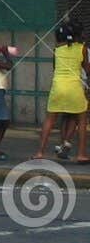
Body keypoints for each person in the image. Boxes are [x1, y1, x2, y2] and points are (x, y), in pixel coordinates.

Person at [35, 22, 90, 163]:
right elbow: (86, 69)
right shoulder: (82, 49)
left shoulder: (57, 50)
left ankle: (40, 152)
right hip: (74, 87)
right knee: (82, 120)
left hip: (57, 87)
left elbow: (55, 68)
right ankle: (82, 154)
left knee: (49, 120)